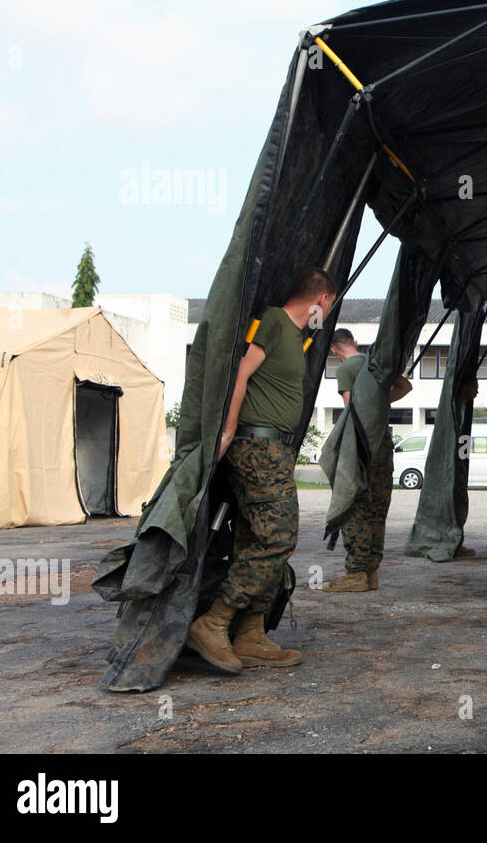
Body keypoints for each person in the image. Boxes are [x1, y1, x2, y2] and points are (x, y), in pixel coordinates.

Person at [186, 268, 337, 674]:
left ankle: (250, 634)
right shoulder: (274, 321)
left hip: (274, 449)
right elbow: (240, 373)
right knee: (278, 536)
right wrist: (230, 429)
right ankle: (214, 622)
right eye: (331, 303)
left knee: (255, 537)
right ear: (321, 300)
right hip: (257, 445)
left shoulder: (296, 336)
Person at [321, 328, 413, 592]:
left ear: (333, 350)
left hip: (360, 444)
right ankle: (371, 572)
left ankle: (357, 573)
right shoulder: (375, 363)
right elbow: (405, 386)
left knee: (355, 505)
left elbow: (354, 408)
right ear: (356, 343)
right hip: (383, 442)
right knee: (377, 507)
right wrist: (381, 399)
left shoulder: (346, 369)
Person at [451, 376, 479, 559]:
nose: (477, 392)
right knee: (456, 502)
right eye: (474, 387)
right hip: (452, 464)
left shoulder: (460, 409)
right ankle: (452, 542)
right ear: (465, 387)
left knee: (461, 501)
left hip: (458, 461)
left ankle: (456, 541)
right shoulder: (453, 409)